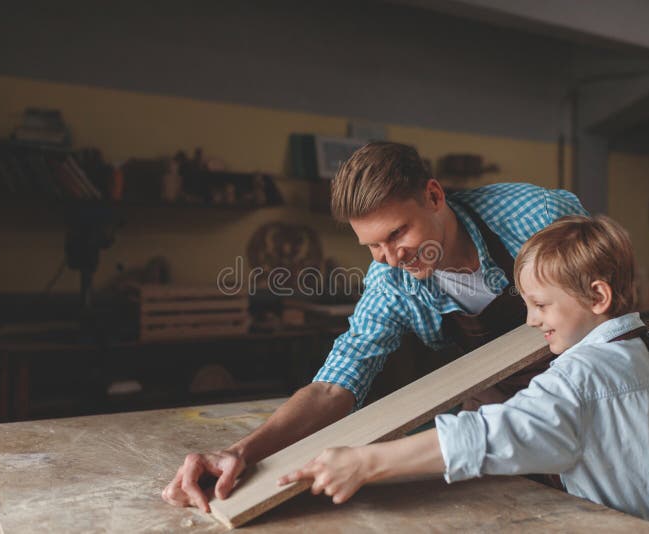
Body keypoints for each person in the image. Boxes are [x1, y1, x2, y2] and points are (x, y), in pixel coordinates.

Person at [162, 142, 587, 512]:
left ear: (434, 196)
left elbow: (609, 307)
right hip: (497, 413)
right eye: (373, 245)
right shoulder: (390, 282)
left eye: (398, 233)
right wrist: (240, 452)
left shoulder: (537, 218)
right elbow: (334, 385)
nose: (392, 256)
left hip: (588, 394)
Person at [278, 214, 649, 526]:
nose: (530, 320)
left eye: (542, 305)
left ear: (598, 297)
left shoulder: (582, 377)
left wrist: (363, 462)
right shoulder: (646, 355)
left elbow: (488, 435)